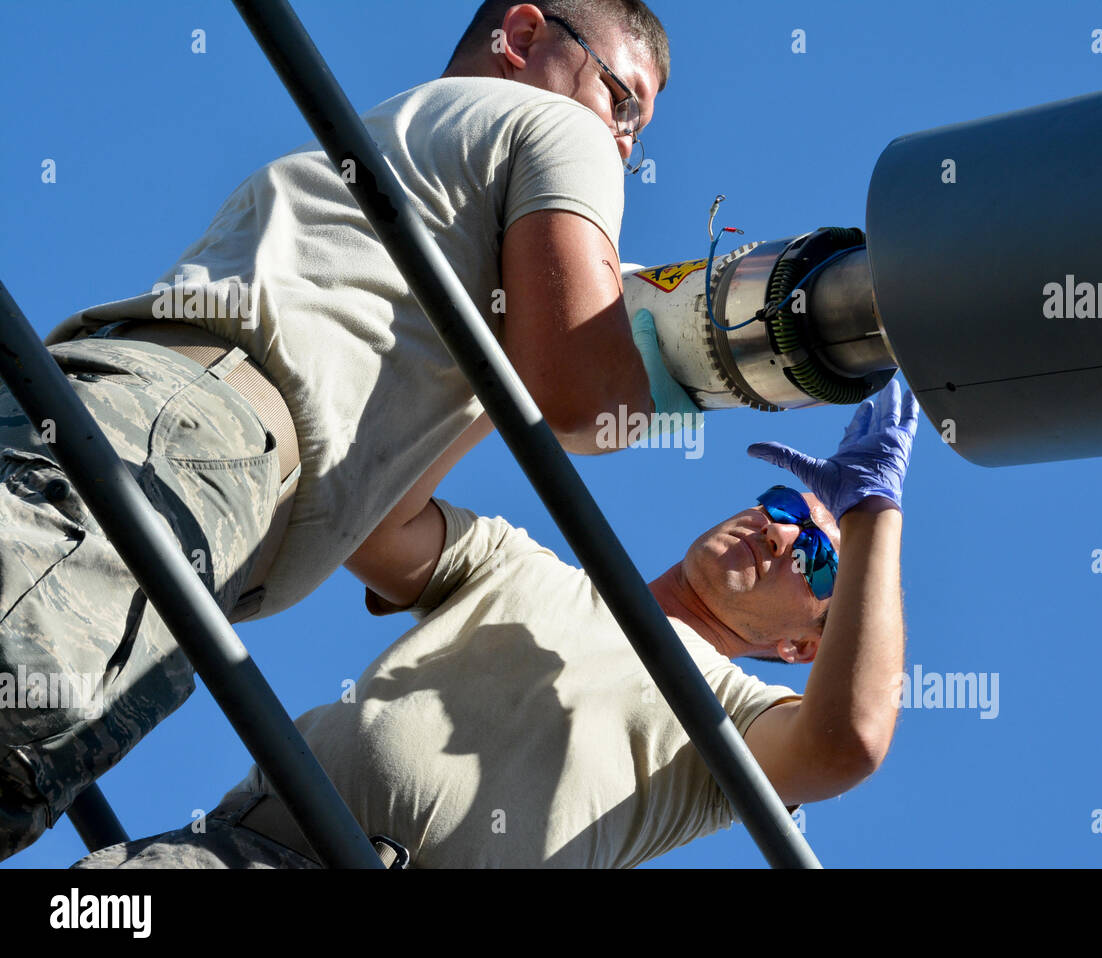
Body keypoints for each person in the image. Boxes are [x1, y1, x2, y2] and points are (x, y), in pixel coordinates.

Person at [1, 1, 682, 861]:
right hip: (186, 454)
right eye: (623, 102)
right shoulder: (554, 124)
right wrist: (669, 341)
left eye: (636, 131)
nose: (623, 143)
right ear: (522, 36)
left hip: (133, 427)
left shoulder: (394, 162)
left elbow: (392, 515)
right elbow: (587, 397)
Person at [70, 383, 919, 869]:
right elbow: (369, 526)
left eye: (817, 560)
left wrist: (875, 508)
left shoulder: (732, 714)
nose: (780, 534)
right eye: (782, 507)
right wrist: (527, 378)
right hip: (230, 851)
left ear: (801, 648)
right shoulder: (521, 563)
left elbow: (847, 742)